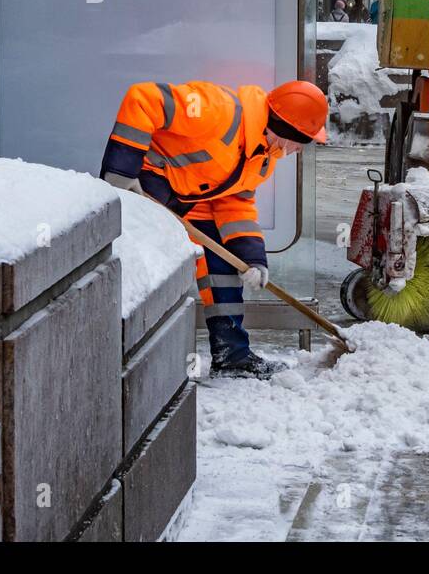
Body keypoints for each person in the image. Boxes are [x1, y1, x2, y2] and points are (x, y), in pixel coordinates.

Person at [100, 80, 329, 378]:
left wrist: (253, 258)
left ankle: (231, 355)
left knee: (222, 267)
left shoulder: (261, 159)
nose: (299, 149)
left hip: (189, 201)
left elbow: (236, 203)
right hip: (145, 183)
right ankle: (115, 354)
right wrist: (121, 173)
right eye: (303, 141)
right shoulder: (219, 112)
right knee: (140, 269)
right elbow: (144, 98)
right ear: (287, 130)